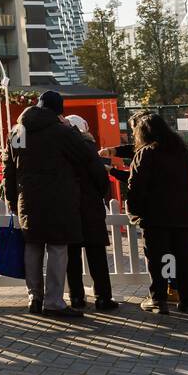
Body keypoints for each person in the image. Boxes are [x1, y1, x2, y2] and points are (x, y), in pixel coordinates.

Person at [5, 90, 105, 319]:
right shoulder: (61, 131)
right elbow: (84, 155)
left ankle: (34, 296)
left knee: (33, 244)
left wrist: (12, 197)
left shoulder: (17, 130)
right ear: (59, 111)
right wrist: (69, 128)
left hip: (27, 196)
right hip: (59, 196)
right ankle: (54, 301)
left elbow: (8, 168)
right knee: (58, 247)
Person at [105, 112, 188, 316]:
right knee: (184, 259)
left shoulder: (146, 152)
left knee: (157, 259)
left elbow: (136, 185)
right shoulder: (183, 152)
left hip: (155, 216)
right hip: (183, 216)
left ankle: (159, 300)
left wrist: (136, 212)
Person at [63, 115, 117, 311]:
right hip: (91, 208)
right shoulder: (89, 149)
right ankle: (103, 297)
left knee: (72, 256)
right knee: (97, 256)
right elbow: (101, 179)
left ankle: (76, 297)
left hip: (69, 207)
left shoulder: (62, 150)